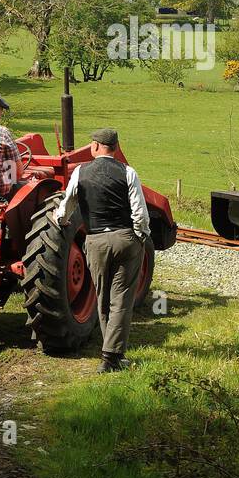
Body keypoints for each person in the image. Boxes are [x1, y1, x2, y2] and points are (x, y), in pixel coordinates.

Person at [54, 127, 151, 373]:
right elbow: (140, 212)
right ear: (116, 148)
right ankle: (112, 356)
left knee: (103, 296)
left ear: (95, 147)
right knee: (121, 298)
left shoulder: (80, 172)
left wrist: (62, 222)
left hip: (95, 240)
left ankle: (110, 355)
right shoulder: (128, 172)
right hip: (125, 238)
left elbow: (66, 208)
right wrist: (139, 237)